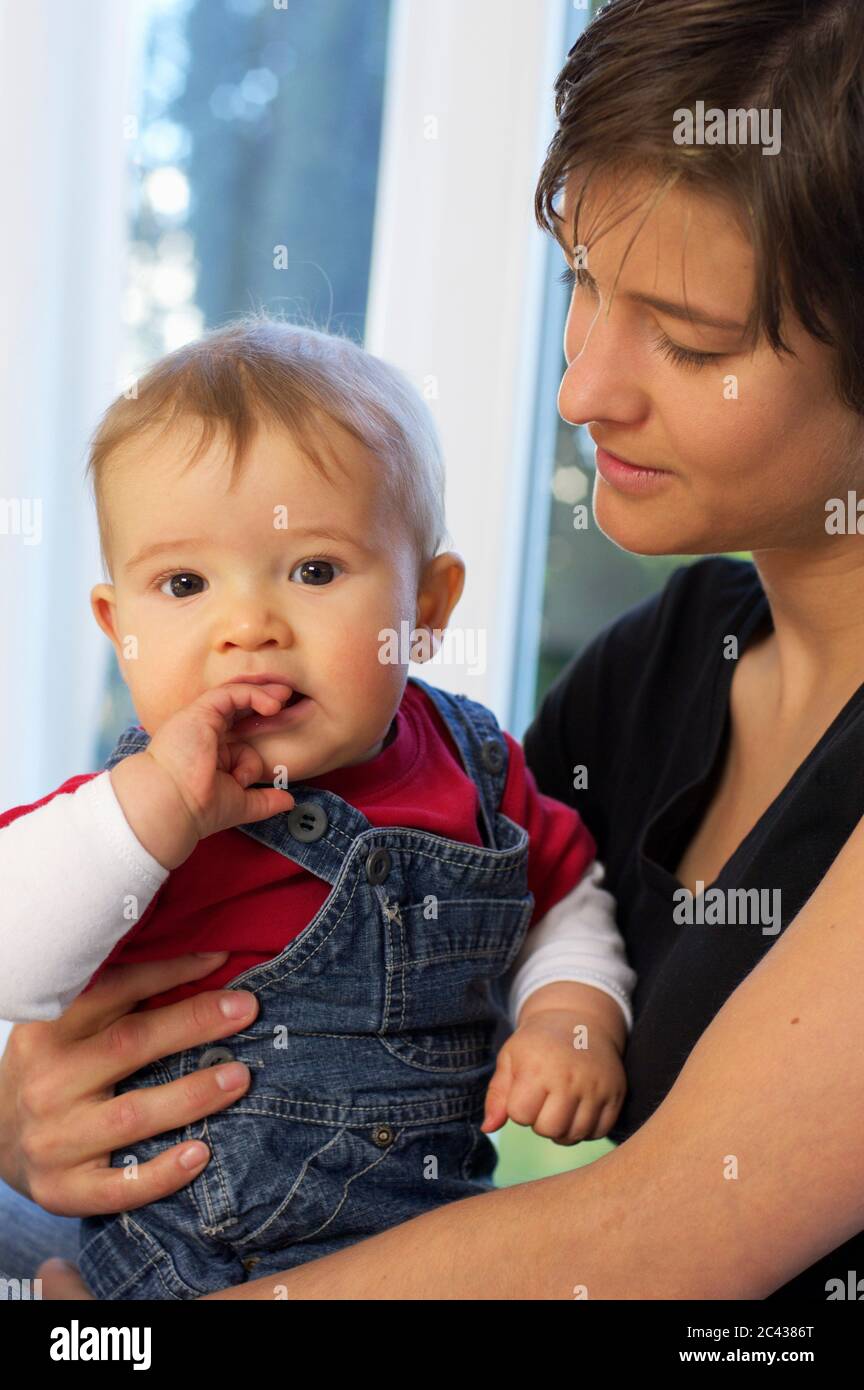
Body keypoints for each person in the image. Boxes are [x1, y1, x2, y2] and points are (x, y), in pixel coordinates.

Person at [4, 0, 864, 1301]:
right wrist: (35, 1108)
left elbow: (664, 1239)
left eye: (691, 340)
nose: (583, 387)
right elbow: (512, 890)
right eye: (580, 280)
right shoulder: (670, 663)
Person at [0, 317, 636, 1299]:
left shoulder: (476, 769)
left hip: (422, 1250)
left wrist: (568, 1012)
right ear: (117, 629)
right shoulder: (127, 812)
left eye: (314, 571)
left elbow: (561, 895)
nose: (248, 625)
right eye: (183, 583)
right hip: (173, 1249)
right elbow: (15, 965)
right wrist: (147, 813)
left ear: (425, 607)